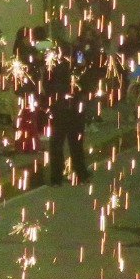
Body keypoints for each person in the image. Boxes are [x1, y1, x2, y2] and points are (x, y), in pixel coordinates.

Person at [36, 27, 90, 185]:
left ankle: (57, 177)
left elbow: (46, 83)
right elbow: (82, 67)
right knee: (74, 141)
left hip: (61, 104)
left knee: (58, 142)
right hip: (72, 103)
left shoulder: (52, 60)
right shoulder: (76, 53)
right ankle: (81, 174)